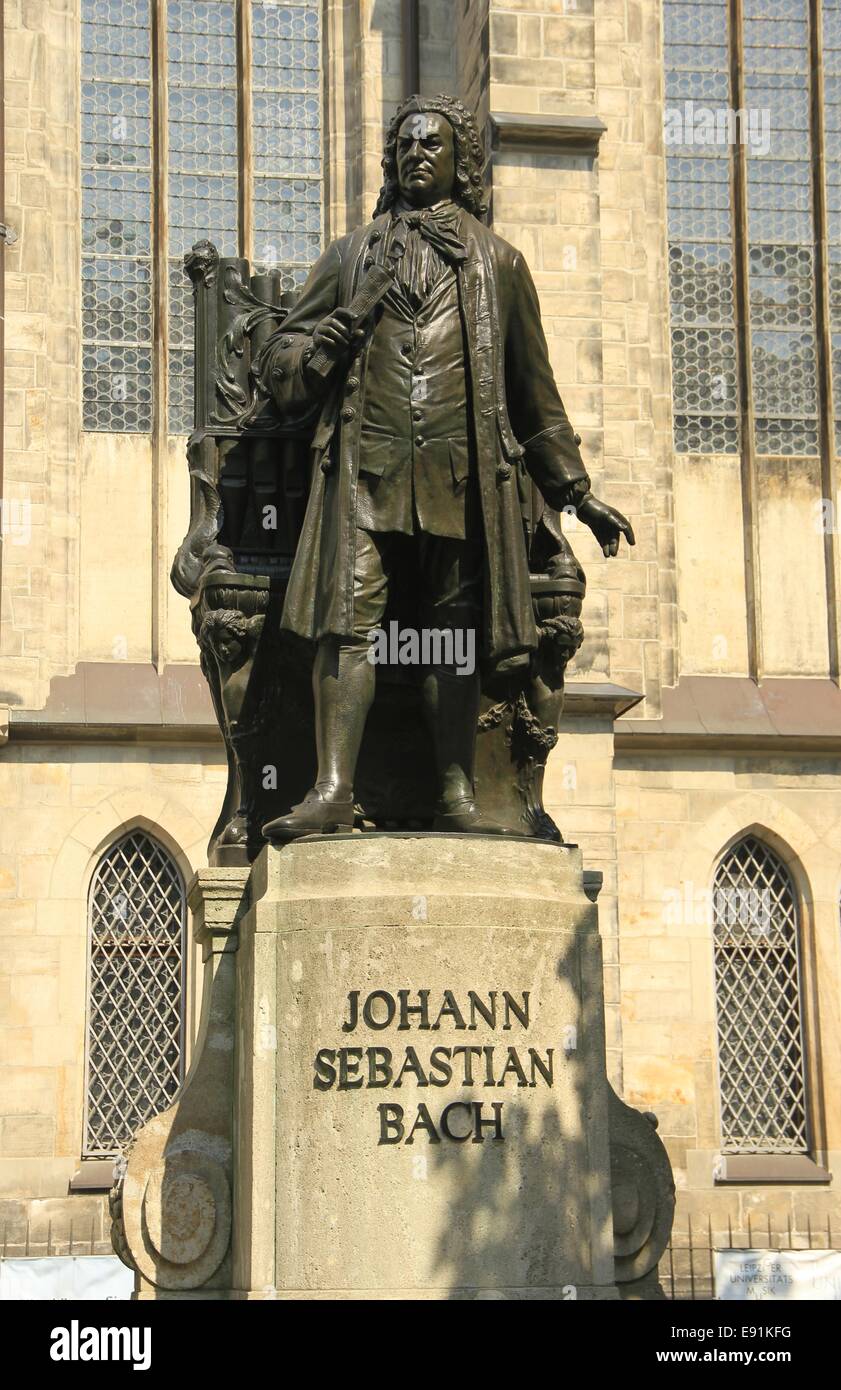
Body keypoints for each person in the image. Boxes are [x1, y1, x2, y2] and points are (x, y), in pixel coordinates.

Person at [256, 93, 634, 840]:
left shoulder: (500, 265)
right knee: (348, 622)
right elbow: (282, 366)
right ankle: (332, 789)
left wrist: (577, 493)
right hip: (364, 472)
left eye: (431, 144)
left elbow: (535, 395)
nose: (414, 154)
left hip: (461, 480)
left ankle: (458, 792)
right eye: (403, 145)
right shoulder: (350, 255)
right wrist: (343, 325)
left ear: (463, 162)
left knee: (451, 631)